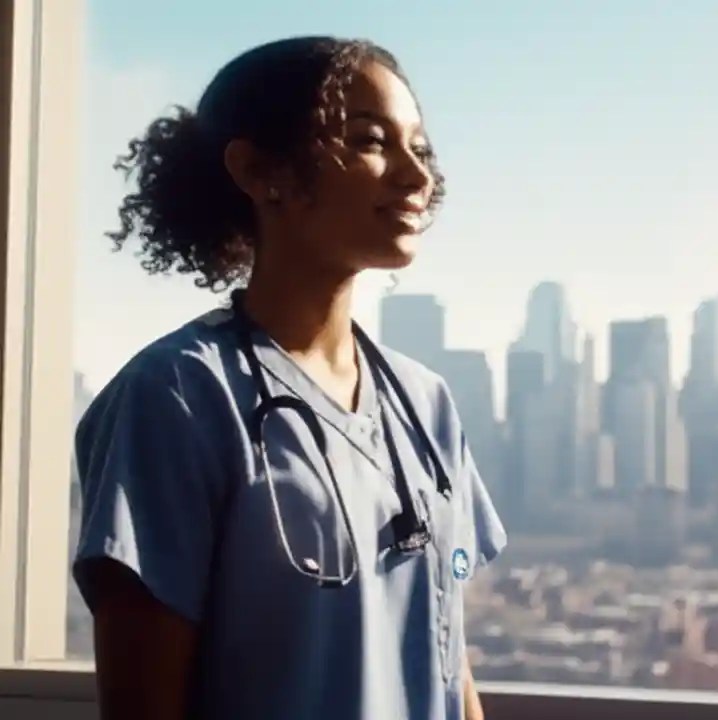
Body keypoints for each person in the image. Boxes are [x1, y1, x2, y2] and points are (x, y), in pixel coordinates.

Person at [71, 36, 506, 720]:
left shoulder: (426, 405)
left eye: (419, 149)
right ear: (258, 170)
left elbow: (449, 664)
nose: (416, 177)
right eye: (370, 141)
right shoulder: (177, 398)